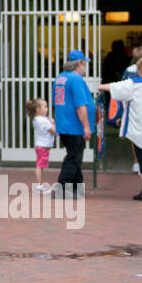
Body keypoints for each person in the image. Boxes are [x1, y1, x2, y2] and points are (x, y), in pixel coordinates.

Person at [98, 57, 142, 201]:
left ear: (141, 69)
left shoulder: (134, 84)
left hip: (141, 128)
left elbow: (114, 87)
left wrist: (99, 86)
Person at [53, 50, 94, 191]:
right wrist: (86, 127)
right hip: (74, 126)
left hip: (64, 123)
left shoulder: (60, 78)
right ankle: (63, 188)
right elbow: (80, 106)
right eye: (84, 63)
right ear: (79, 63)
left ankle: (77, 188)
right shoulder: (76, 79)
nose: (85, 67)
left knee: (75, 156)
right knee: (73, 158)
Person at [26, 97, 55, 193]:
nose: (47, 109)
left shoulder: (37, 119)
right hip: (43, 146)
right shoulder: (43, 121)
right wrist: (53, 123)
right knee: (39, 165)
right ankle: (38, 186)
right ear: (38, 109)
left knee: (41, 165)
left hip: (41, 146)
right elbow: (54, 131)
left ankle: (40, 184)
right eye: (45, 107)